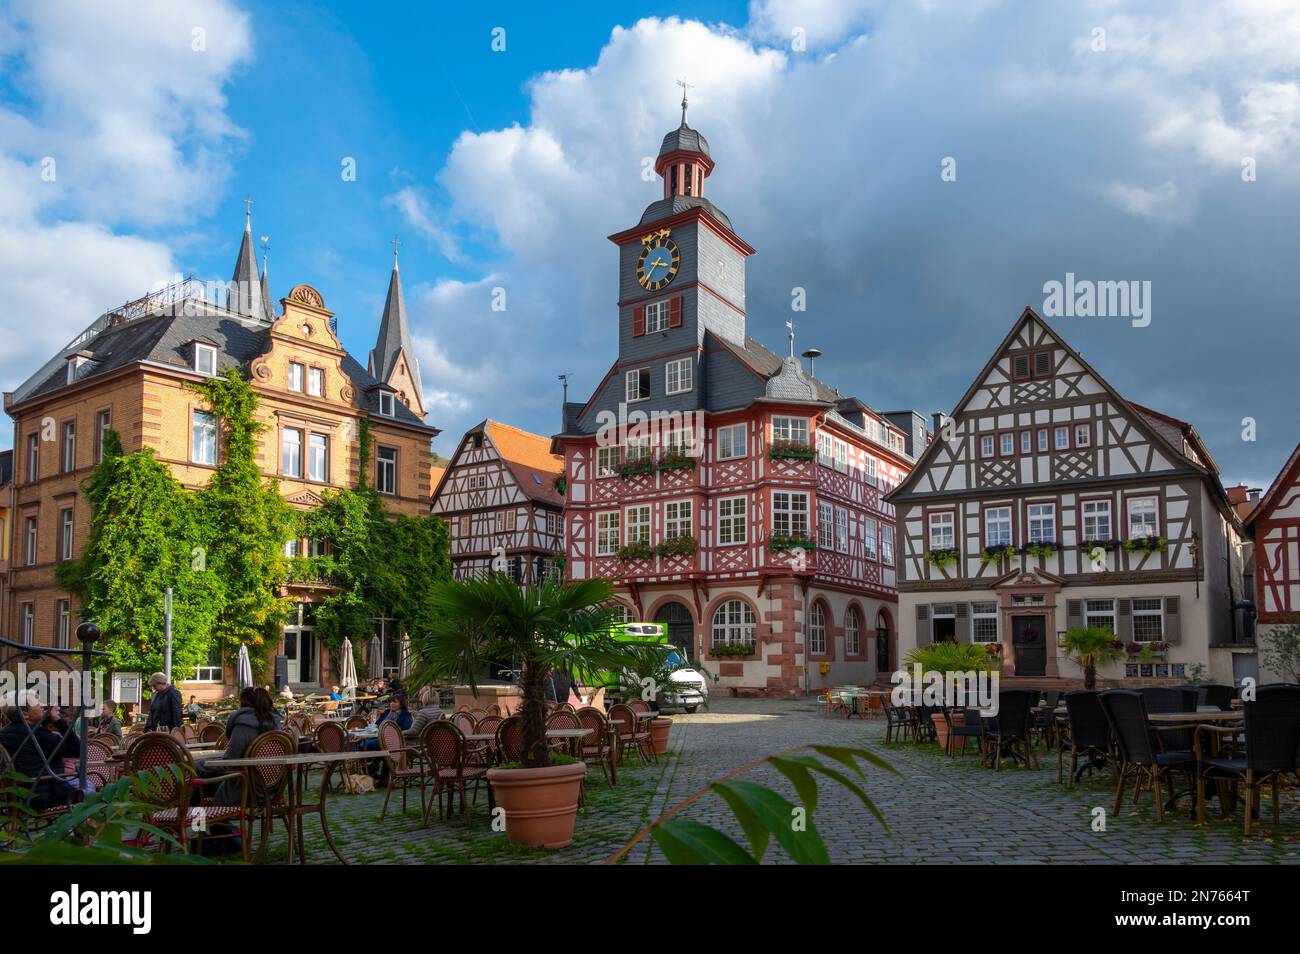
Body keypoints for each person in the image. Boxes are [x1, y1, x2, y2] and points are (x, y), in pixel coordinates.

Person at [0, 694, 85, 810]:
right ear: (25, 714)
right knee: (91, 796)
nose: (43, 707)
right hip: (46, 794)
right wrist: (57, 720)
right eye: (38, 704)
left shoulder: (4, 733)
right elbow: (78, 750)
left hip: (18, 795)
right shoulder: (36, 735)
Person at [202, 687, 281, 807]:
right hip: (272, 788)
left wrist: (199, 765)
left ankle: (205, 817)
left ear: (243, 702)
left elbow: (230, 761)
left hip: (244, 788)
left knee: (198, 772)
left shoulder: (243, 725)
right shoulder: (276, 724)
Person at [364, 695, 412, 784]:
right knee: (364, 744)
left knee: (371, 745)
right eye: (391, 702)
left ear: (401, 704)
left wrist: (391, 733)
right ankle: (373, 772)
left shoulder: (405, 715)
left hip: (394, 741)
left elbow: (406, 728)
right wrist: (375, 727)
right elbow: (377, 724)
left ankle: (375, 770)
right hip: (381, 738)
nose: (392, 704)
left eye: (395, 702)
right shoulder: (387, 712)